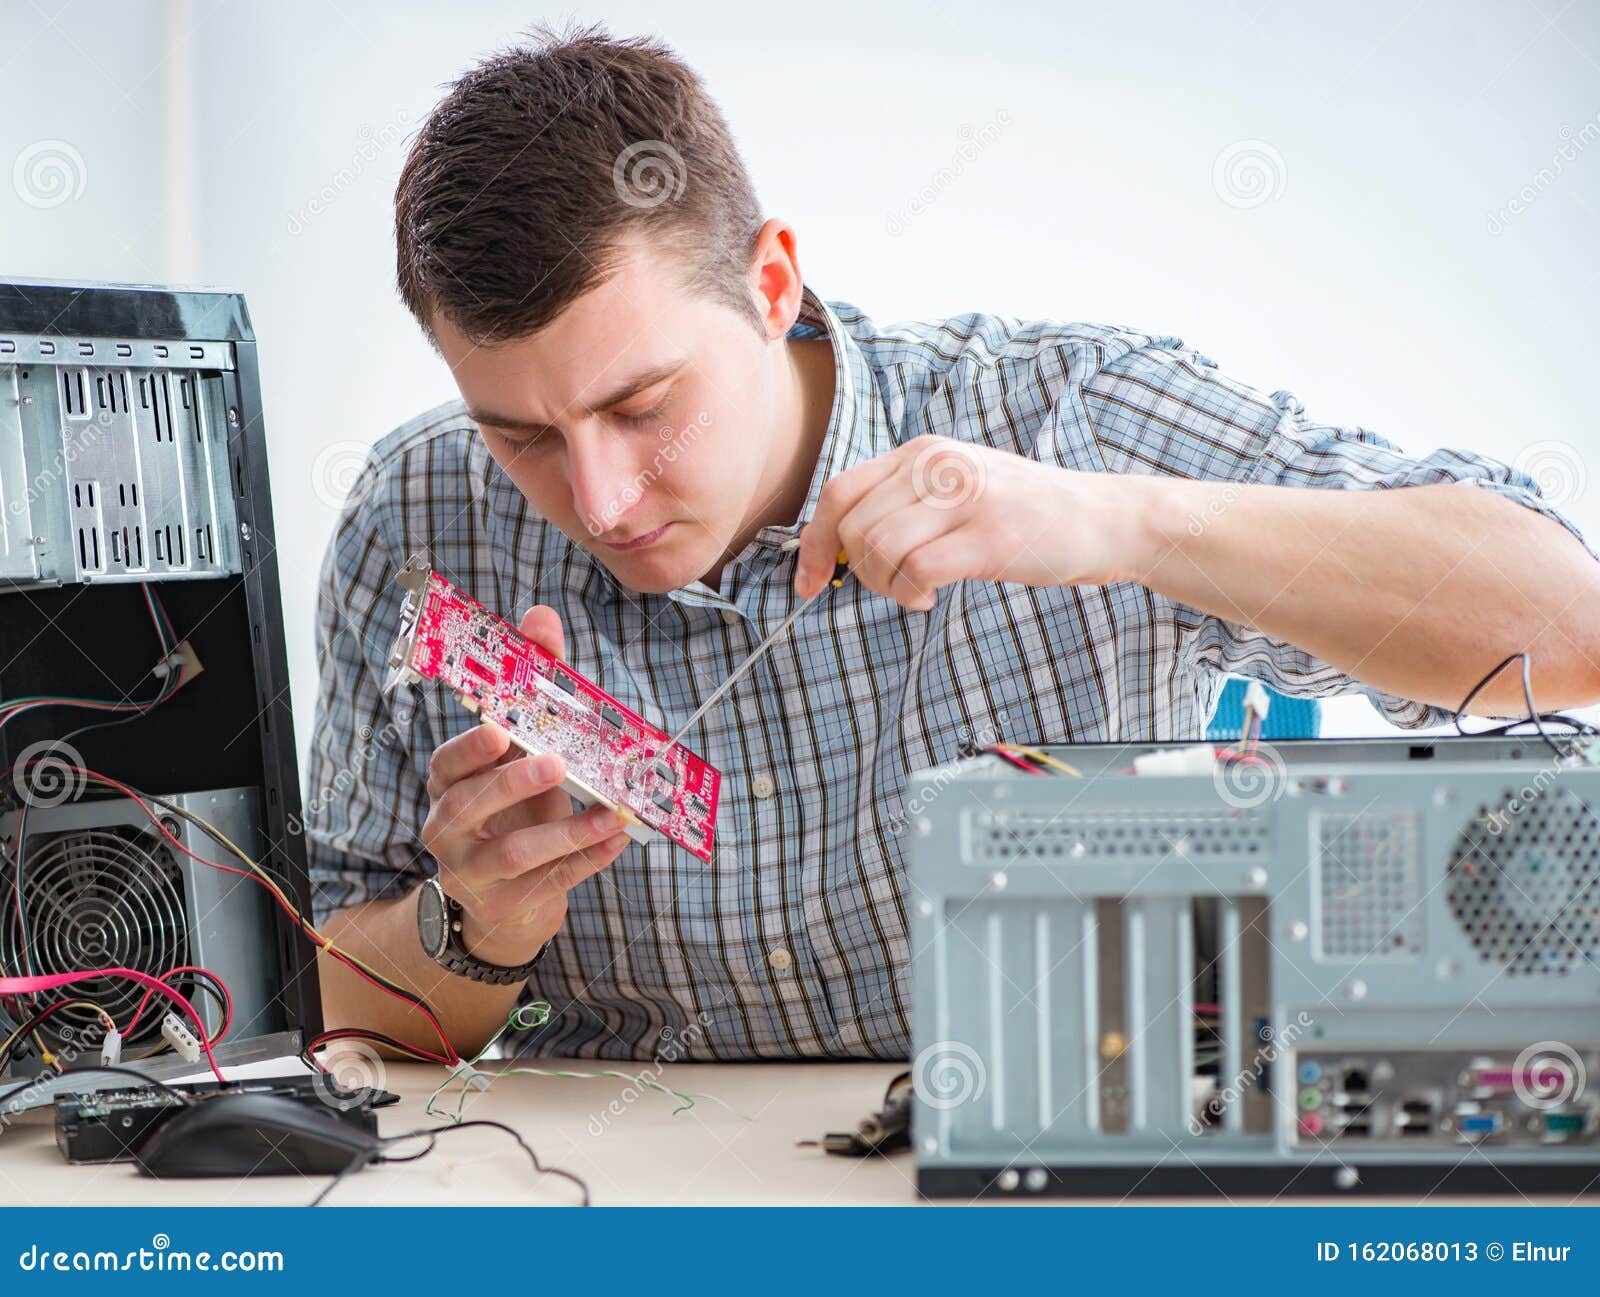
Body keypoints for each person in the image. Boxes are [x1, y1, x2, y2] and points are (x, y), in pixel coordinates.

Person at [307, 26, 1600, 1061]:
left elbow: (1573, 633)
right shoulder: (414, 521)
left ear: (772, 285)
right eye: (520, 432)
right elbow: (321, 987)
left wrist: (1126, 520)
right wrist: (477, 925)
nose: (597, 497)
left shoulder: (1066, 413)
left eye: (642, 406)